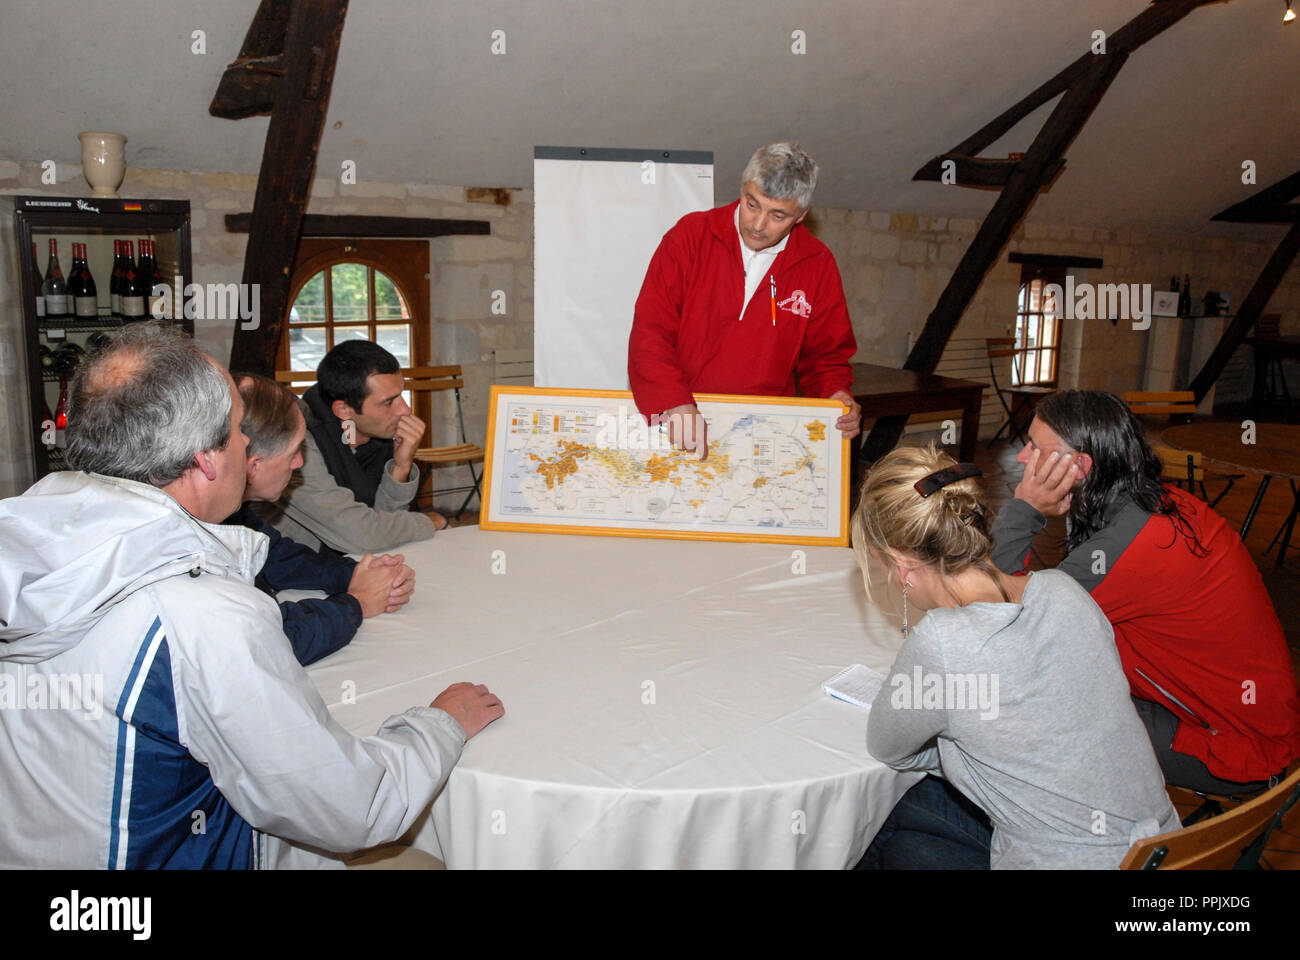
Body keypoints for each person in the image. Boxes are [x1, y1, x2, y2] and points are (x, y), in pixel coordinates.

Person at [0, 326, 503, 868]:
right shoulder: (202, 614)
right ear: (207, 459)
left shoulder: (28, 545)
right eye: (239, 430)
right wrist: (439, 723)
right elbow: (356, 809)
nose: (249, 446)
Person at [854, 444, 1179, 869]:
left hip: (1065, 862)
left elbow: (889, 749)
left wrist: (968, 751)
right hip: (1166, 849)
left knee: (879, 818)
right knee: (904, 843)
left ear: (901, 565)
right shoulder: (1063, 590)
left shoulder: (943, 641)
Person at [989, 390, 1300, 795]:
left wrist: (1025, 507)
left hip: (1233, 747)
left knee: (1021, 705)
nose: (1022, 457)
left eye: (1034, 447)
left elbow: (1000, 617)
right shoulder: (1159, 503)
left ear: (1079, 466)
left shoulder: (1132, 546)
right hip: (1246, 719)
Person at [628, 141, 861, 460]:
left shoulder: (817, 264)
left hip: (765, 434)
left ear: (801, 215)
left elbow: (826, 357)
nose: (758, 224)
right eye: (752, 204)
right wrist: (674, 402)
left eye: (778, 215)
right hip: (677, 419)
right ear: (742, 189)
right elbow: (650, 332)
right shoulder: (690, 237)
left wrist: (835, 395)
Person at [226, 373, 416, 666]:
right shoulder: (196, 537)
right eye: (293, 452)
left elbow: (276, 556)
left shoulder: (231, 514)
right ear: (253, 464)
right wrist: (357, 603)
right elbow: (269, 640)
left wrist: (354, 575)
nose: (300, 463)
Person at [254, 340, 446, 554]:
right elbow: (362, 537)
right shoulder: (297, 448)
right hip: (285, 569)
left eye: (401, 394)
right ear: (344, 410)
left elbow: (384, 531)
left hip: (344, 562)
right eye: (388, 402)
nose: (405, 410)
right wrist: (427, 522)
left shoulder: (377, 436)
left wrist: (400, 468)